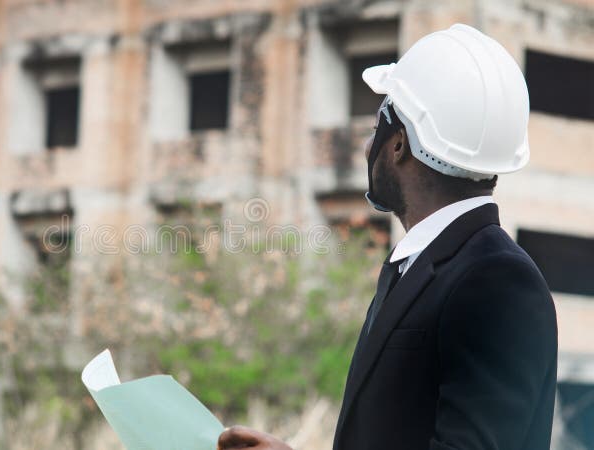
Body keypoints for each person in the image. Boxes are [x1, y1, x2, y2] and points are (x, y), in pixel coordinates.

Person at [218, 23, 558, 450]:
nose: (366, 147)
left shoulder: (497, 281)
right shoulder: (429, 262)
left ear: (397, 143)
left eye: (378, 119)